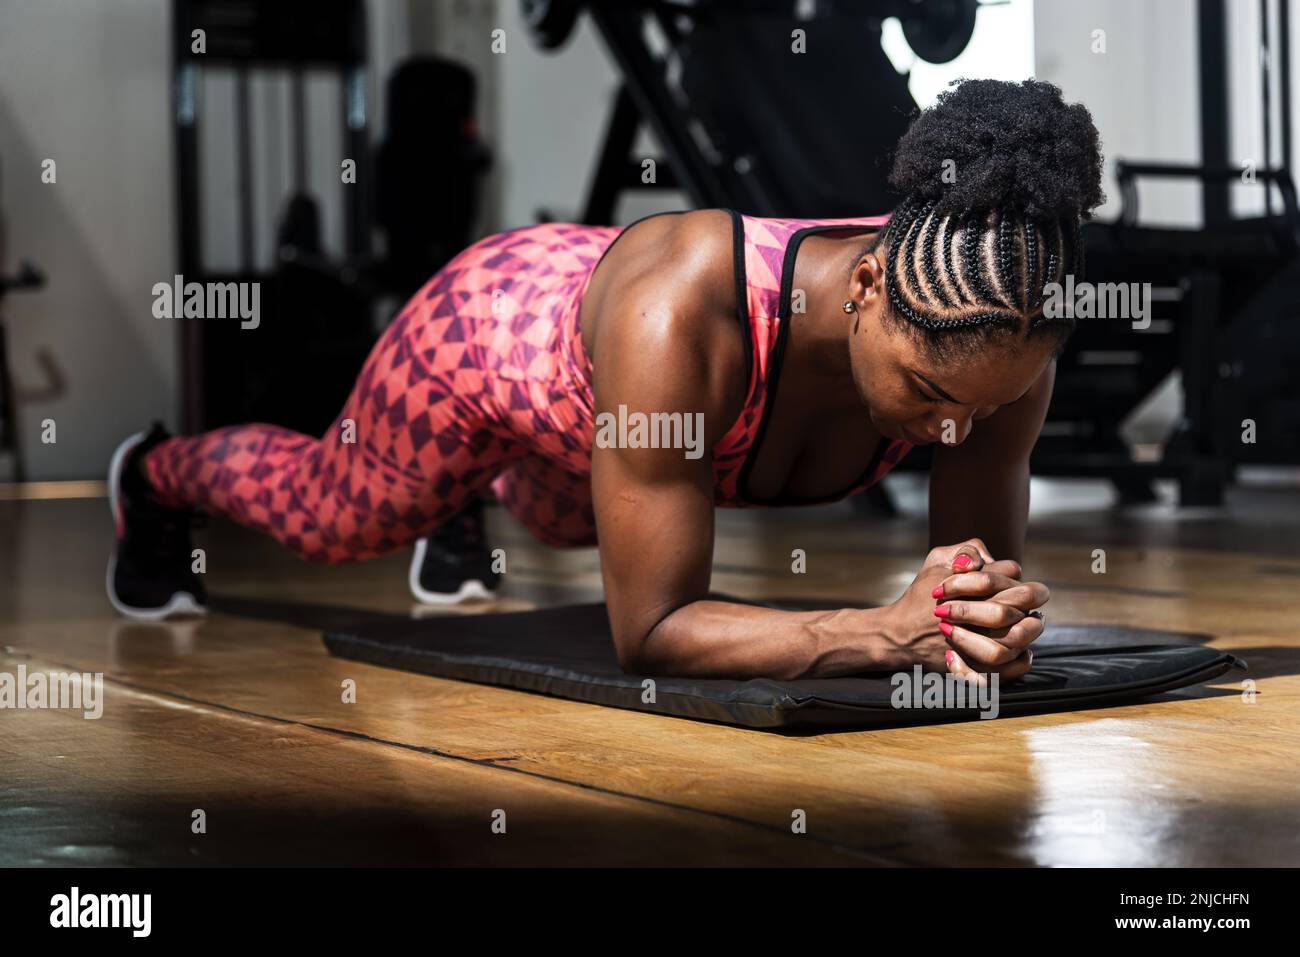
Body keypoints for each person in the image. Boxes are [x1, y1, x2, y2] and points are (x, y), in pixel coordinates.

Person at [107, 78, 1104, 683]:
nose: (951, 438)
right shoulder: (682, 317)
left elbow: (967, 592)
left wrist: (982, 626)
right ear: (871, 286)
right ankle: (152, 478)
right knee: (339, 518)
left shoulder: (995, 336)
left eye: (984, 408)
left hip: (610, 408)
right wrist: (883, 637)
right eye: (929, 399)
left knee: (565, 520)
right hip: (491, 330)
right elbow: (654, 629)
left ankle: (478, 499)